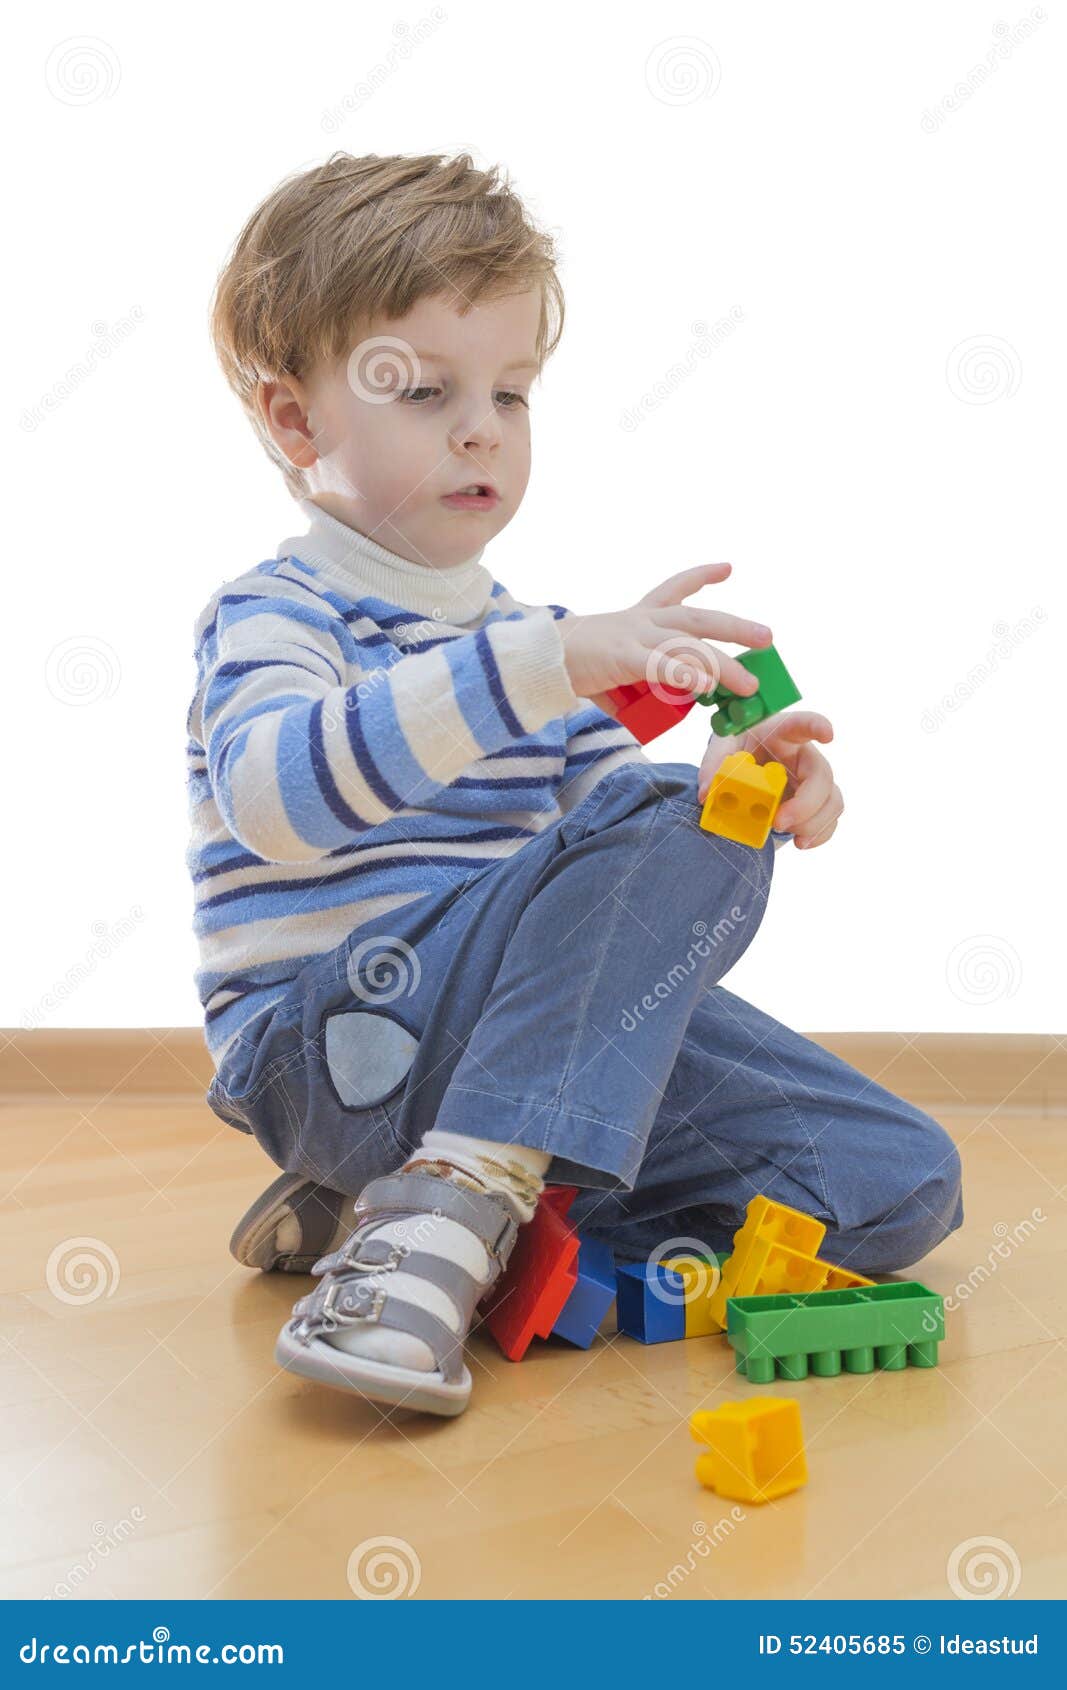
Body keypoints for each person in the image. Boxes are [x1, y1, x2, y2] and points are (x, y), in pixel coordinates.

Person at [188, 150, 962, 1417]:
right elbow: (277, 797)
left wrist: (742, 789)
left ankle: (452, 1216)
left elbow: (624, 882)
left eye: (510, 391)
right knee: (643, 816)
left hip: (503, 1064)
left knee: (899, 1177)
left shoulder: (532, 651)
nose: (482, 426)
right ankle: (442, 1204)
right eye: (425, 390)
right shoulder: (277, 614)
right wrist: (550, 661)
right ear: (294, 421)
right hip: (329, 1045)